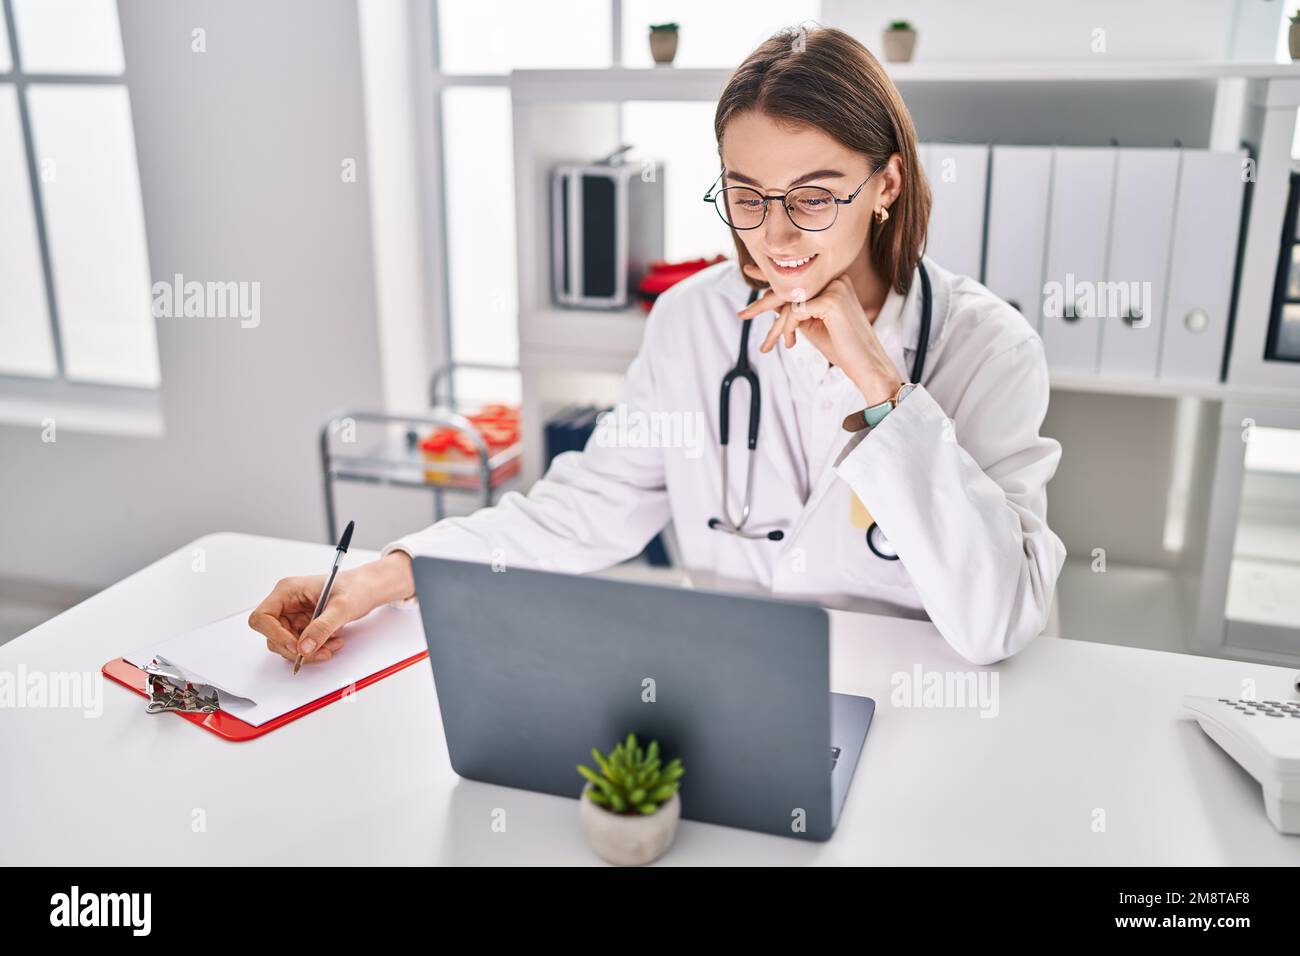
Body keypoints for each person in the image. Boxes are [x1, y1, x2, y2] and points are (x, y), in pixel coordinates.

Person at [250, 25, 1066, 668]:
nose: (774, 237)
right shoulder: (691, 321)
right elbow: (581, 514)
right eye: (746, 196)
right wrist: (377, 579)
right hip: (747, 682)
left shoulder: (990, 348)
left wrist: (884, 390)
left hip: (922, 710)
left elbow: (997, 620)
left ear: (885, 184)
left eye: (813, 198)